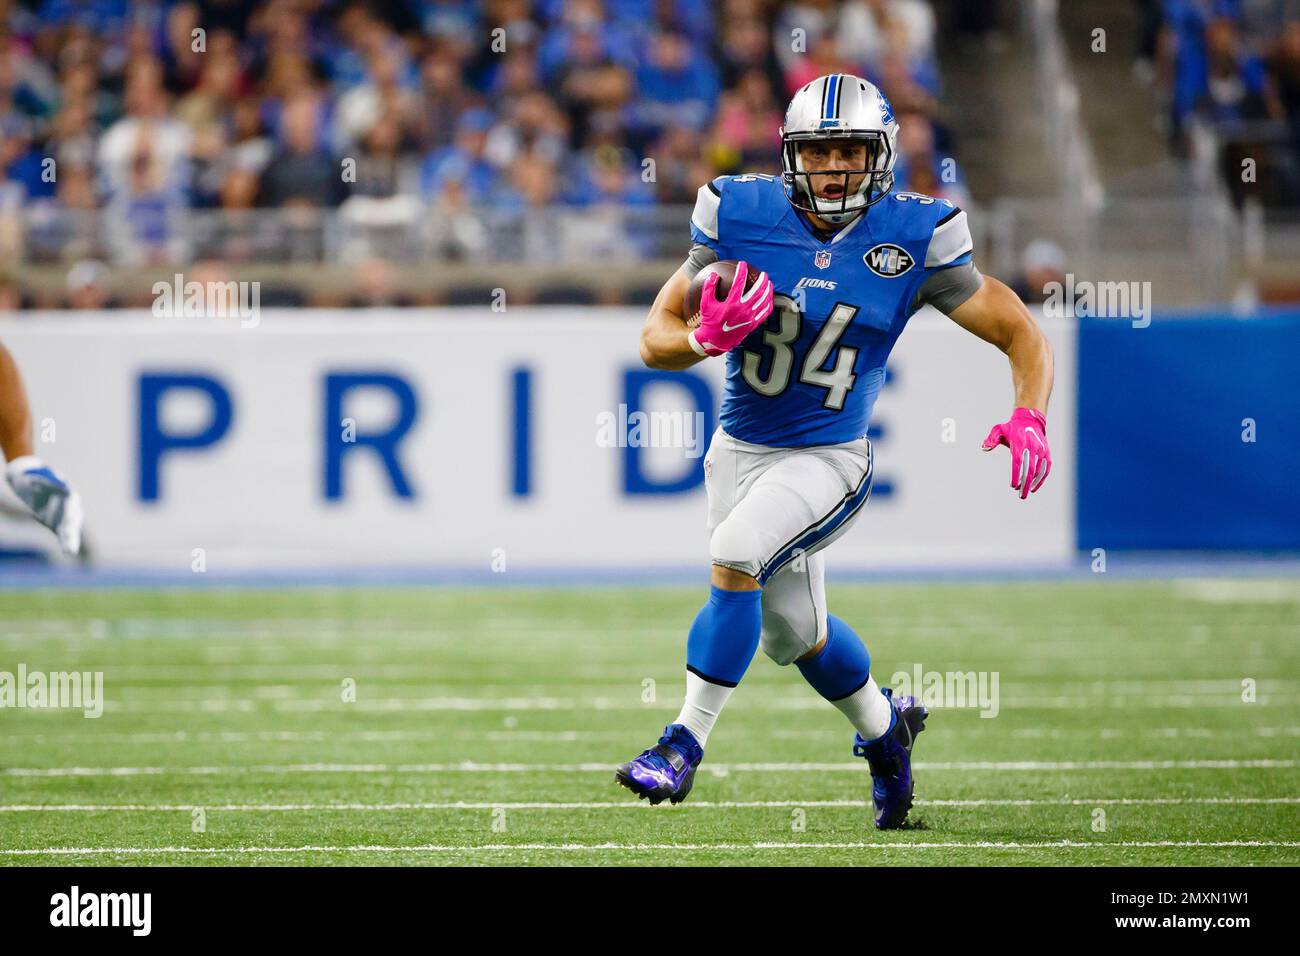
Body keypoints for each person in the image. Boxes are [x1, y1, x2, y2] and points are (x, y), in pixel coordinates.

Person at [618, 74, 1054, 829]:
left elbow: (1018, 327)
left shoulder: (916, 233)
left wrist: (1030, 414)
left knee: (736, 552)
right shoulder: (740, 214)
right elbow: (654, 337)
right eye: (819, 151)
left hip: (829, 458)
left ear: (879, 155)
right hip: (738, 449)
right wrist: (700, 340)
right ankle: (887, 734)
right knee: (797, 634)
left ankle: (681, 744)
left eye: (850, 149)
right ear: (792, 155)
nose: (834, 167)